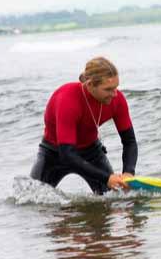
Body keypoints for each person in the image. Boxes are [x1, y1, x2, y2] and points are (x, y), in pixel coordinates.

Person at [30, 57, 137, 194]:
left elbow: (129, 142)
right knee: (32, 198)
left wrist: (128, 172)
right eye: (108, 89)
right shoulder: (67, 99)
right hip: (54, 152)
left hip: (91, 151)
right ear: (90, 85)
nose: (114, 94)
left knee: (113, 198)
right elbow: (67, 154)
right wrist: (107, 178)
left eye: (116, 87)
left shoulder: (118, 101)